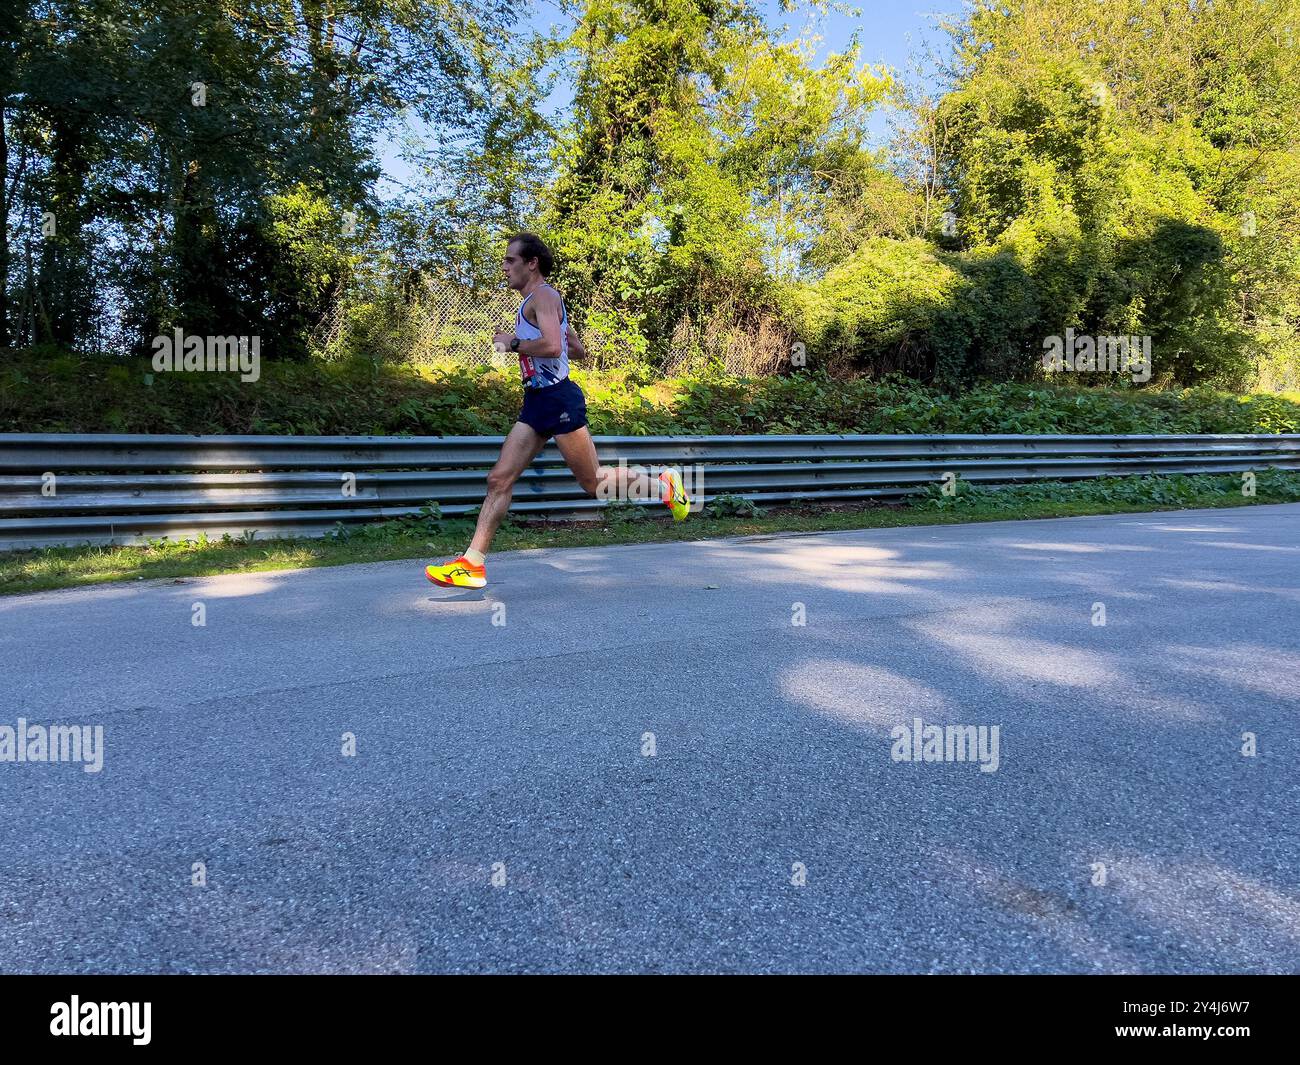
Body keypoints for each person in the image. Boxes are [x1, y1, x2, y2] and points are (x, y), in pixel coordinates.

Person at [426, 232, 690, 589]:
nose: (504, 267)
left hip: (558, 399)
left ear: (531, 263)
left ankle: (664, 486)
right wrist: (539, 341)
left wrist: (513, 343)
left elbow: (552, 346)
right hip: (537, 401)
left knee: (593, 483)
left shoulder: (545, 296)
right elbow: (575, 349)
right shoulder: (540, 302)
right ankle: (472, 563)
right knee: (499, 479)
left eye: (510, 261)